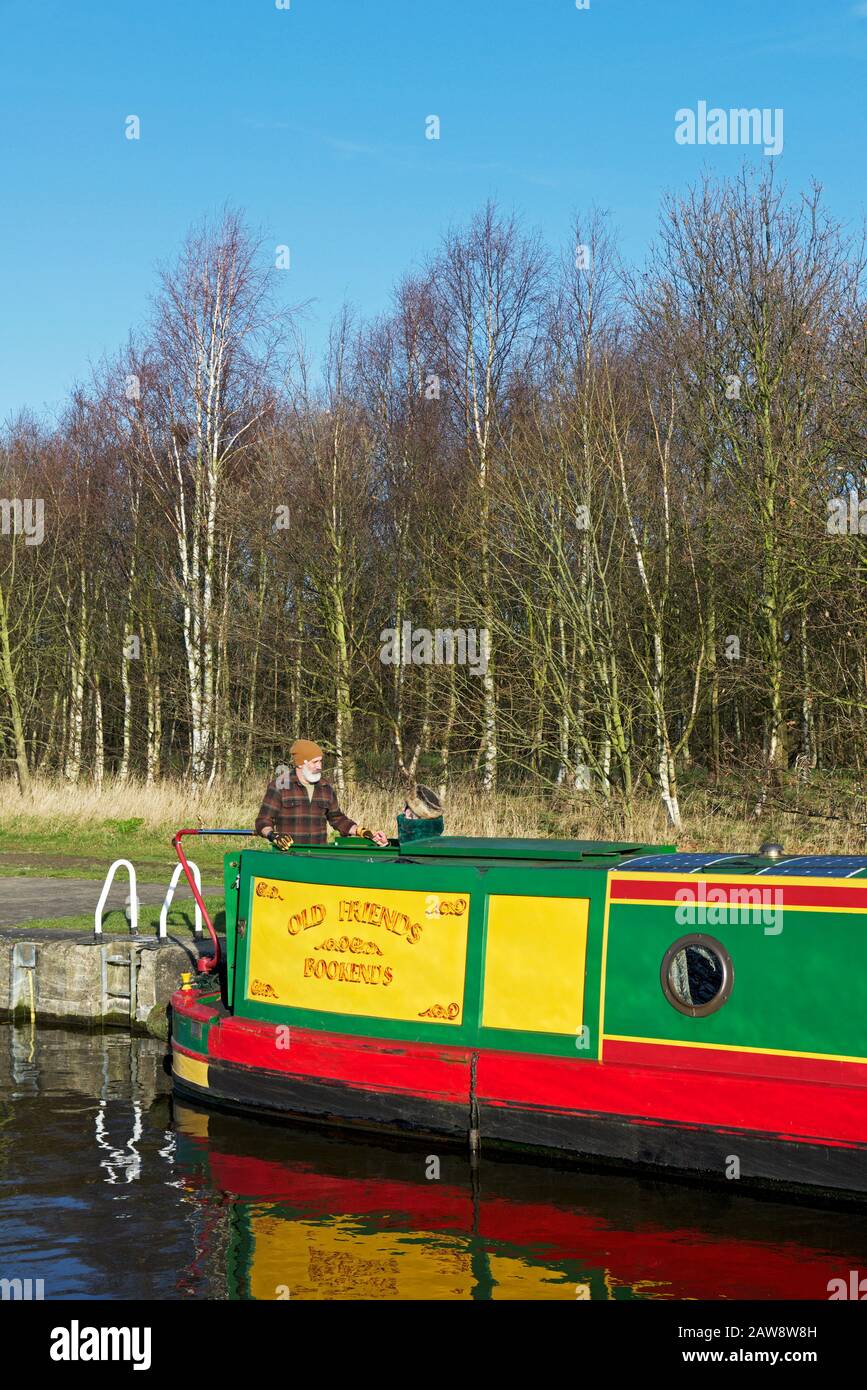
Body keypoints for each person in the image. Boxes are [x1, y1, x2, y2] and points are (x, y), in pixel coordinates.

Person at [255, 740, 389, 848]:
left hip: (318, 857)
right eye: (315, 762)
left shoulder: (325, 787)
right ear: (301, 763)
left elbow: (337, 819)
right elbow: (263, 821)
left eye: (320, 761)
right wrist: (274, 836)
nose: (320, 766)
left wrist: (362, 832)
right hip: (289, 857)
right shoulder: (280, 785)